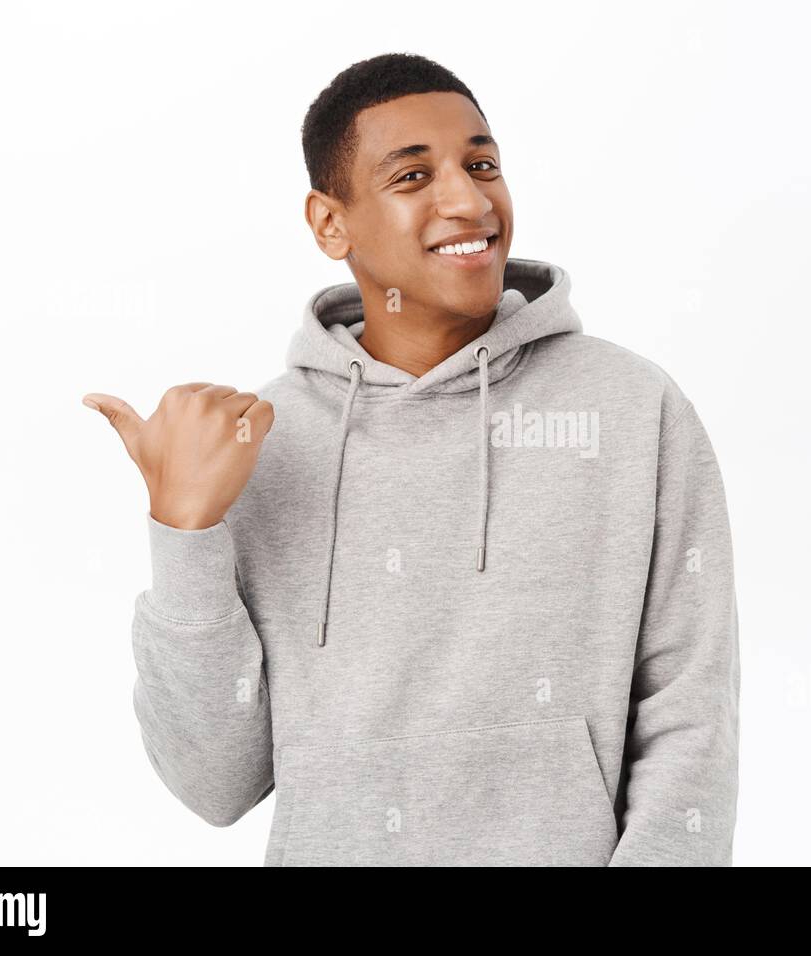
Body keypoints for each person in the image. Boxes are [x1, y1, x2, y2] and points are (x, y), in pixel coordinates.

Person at [83, 52, 741, 866]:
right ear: (330, 223)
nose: (468, 200)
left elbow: (690, 714)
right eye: (412, 177)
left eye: (481, 164)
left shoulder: (632, 409)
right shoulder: (260, 440)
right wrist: (184, 529)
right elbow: (217, 785)